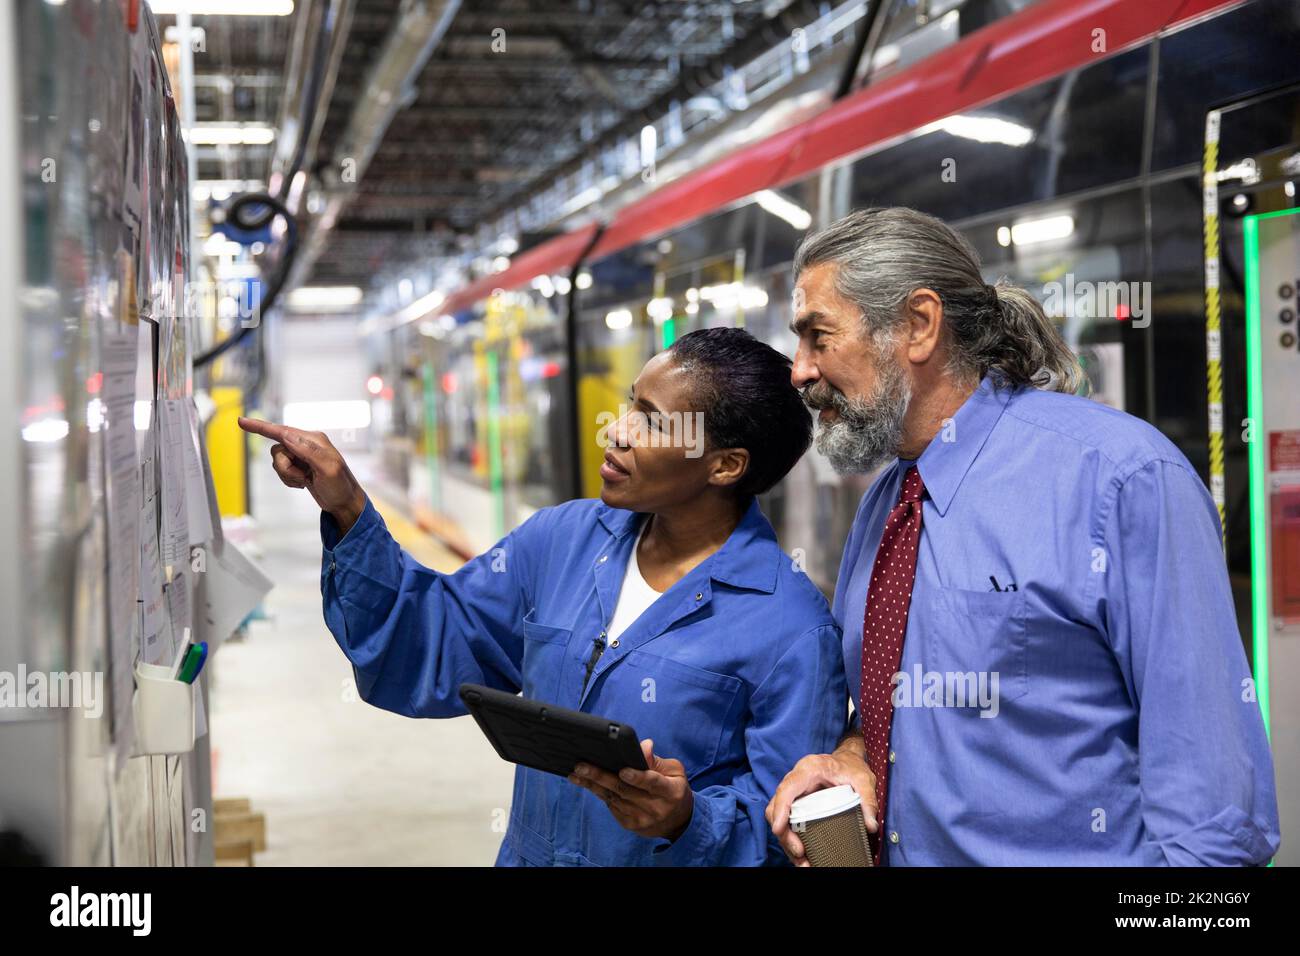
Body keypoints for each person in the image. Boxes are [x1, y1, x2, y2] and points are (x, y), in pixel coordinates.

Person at [766, 207, 1280, 866]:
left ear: (919, 326)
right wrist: (852, 757)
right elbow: (892, 711)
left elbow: (1217, 814)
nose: (800, 371)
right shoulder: (887, 507)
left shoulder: (1117, 479)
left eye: (817, 336)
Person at [239, 327, 846, 866]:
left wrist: (687, 822)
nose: (618, 431)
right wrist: (347, 507)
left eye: (654, 422)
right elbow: (435, 635)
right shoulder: (565, 540)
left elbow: (793, 838)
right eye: (631, 403)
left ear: (725, 466)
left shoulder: (792, 629)